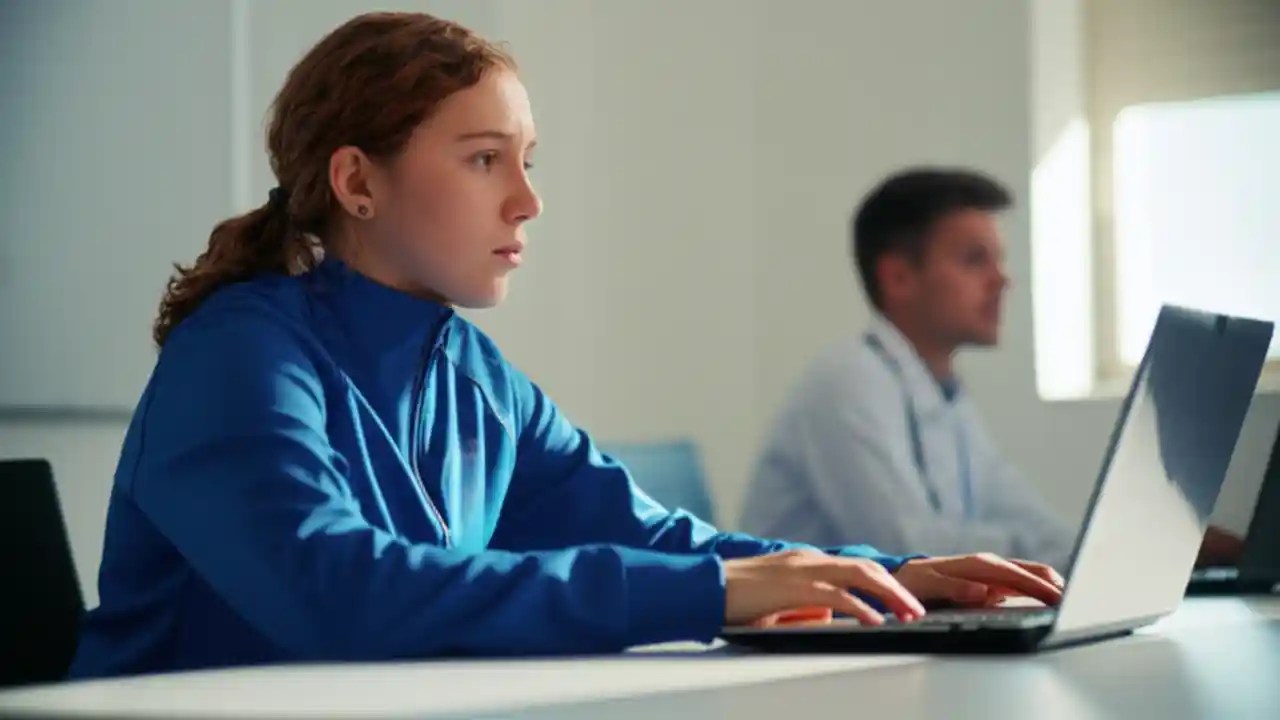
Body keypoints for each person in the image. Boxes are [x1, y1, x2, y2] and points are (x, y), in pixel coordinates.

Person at [69, 15, 1061, 679]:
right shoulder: (237, 356)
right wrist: (708, 591)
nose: (528, 201)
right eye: (483, 160)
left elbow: (656, 538)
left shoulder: (471, 378)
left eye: (527, 162)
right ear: (357, 183)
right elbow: (339, 593)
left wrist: (886, 577)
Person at [741, 169, 1077, 569]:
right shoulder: (848, 382)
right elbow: (907, 550)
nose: (1001, 279)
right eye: (975, 261)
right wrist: (1050, 557)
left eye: (998, 260)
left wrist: (1091, 555)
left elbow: (1016, 511)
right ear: (899, 277)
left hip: (891, 623)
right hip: (809, 628)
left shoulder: (944, 393)